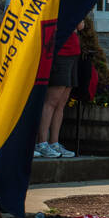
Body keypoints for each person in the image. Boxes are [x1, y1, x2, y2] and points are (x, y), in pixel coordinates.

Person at [34, 20, 83, 158]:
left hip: (73, 52)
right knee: (51, 101)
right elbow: (78, 24)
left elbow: (81, 25)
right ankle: (42, 142)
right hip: (61, 52)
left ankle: (54, 142)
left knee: (62, 103)